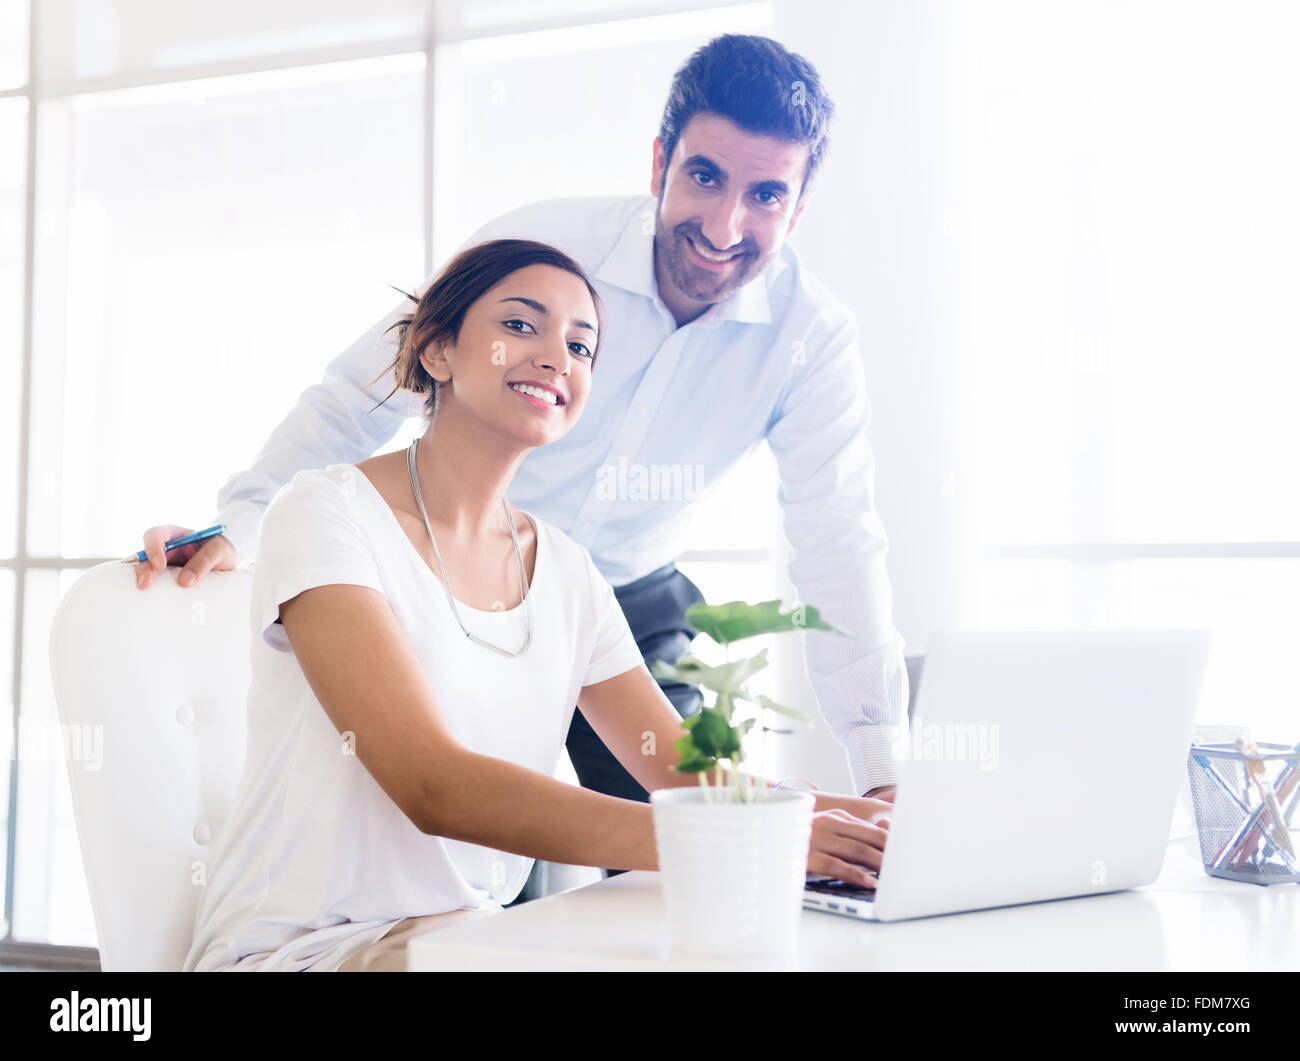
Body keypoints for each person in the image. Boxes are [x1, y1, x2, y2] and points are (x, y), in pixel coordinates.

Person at [140, 33, 908, 872]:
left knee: (696, 858)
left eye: (765, 194)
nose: (725, 224)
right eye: (704, 177)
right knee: (458, 834)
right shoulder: (541, 254)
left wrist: (880, 788)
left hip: (623, 600)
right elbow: (356, 394)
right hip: (455, 576)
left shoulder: (812, 338)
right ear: (660, 162)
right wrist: (249, 516)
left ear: (796, 211)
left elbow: (838, 543)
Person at [181, 239, 892, 972]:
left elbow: (681, 773)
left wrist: (821, 816)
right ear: (437, 351)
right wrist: (732, 838)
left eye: (581, 345)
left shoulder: (568, 574)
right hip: (303, 949)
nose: (558, 356)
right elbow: (434, 785)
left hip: (470, 937)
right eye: (521, 326)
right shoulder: (325, 512)